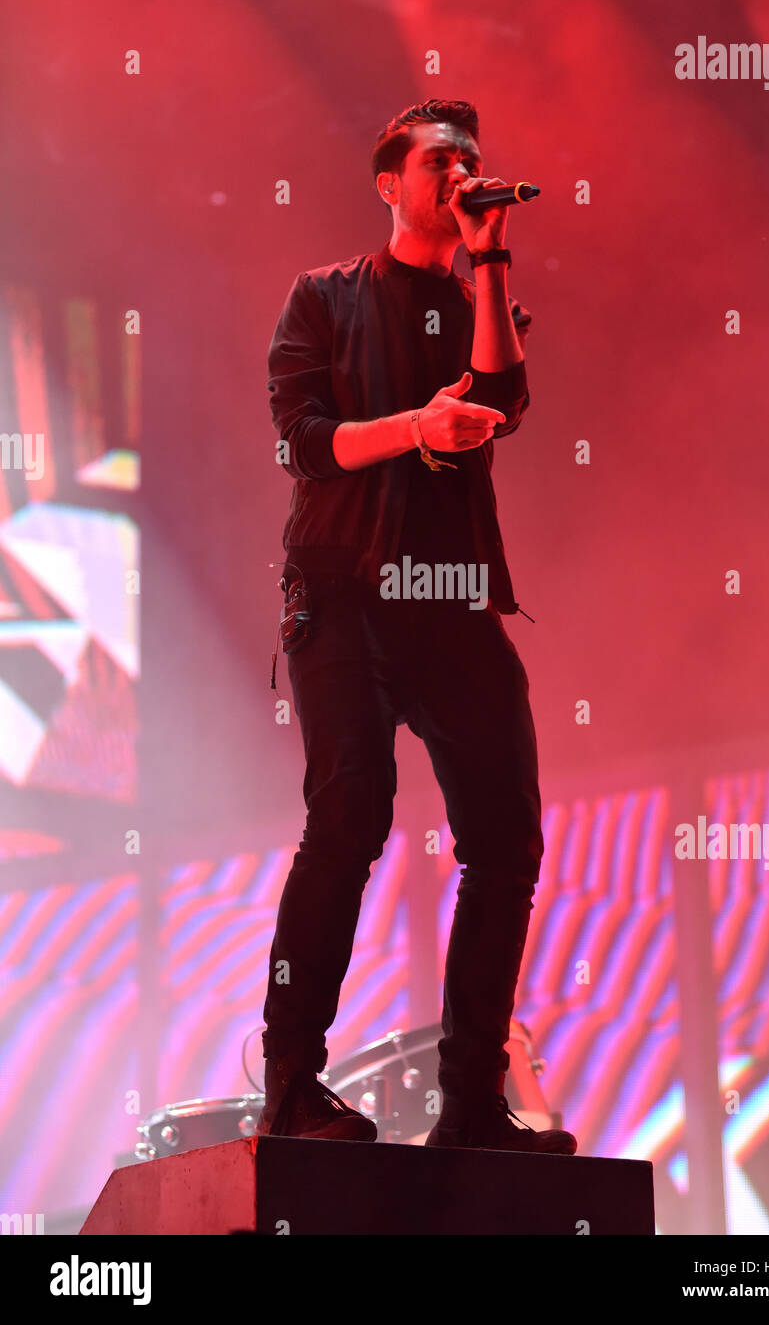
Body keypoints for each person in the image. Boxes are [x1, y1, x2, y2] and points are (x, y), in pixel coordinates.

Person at [259, 98, 576, 1154]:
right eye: (442, 159)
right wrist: (415, 428)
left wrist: (488, 260)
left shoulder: (478, 296)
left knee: (507, 840)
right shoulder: (322, 297)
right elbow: (305, 444)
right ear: (389, 180)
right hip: (342, 594)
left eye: (473, 161)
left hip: (450, 601)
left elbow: (497, 394)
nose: (461, 172)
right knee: (349, 816)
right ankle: (293, 1087)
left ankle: (472, 1104)